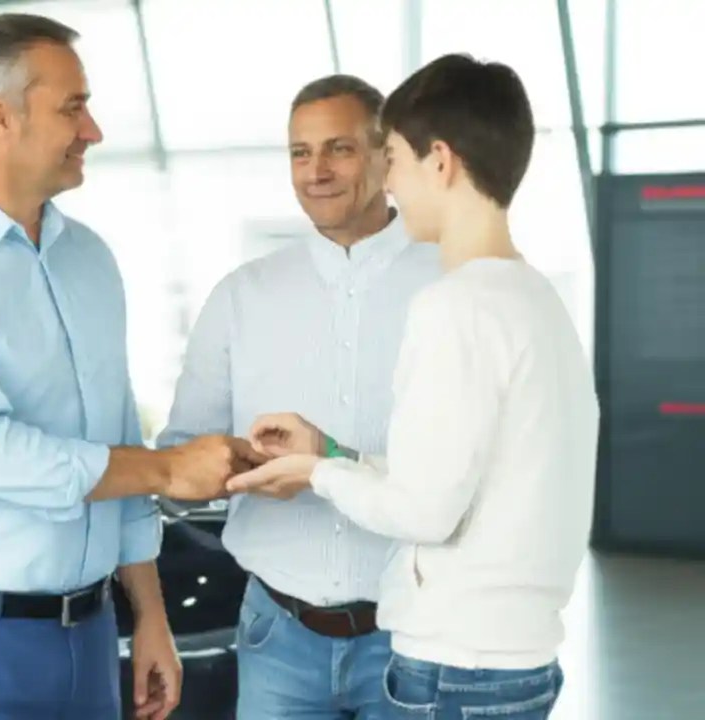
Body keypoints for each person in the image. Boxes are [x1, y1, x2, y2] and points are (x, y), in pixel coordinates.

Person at [0, 13, 265, 720]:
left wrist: (151, 616)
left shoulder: (90, 260)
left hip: (89, 633)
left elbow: (111, 438)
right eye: (73, 107)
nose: (94, 131)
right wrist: (169, 470)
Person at [230, 54, 599, 719]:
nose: (389, 183)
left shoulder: (454, 306)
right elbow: (453, 478)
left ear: (440, 161)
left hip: (454, 670)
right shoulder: (532, 297)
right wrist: (336, 454)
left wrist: (315, 472)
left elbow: (423, 513)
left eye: (392, 157)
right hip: (512, 662)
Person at [156, 75, 440, 718]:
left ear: (385, 157)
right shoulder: (240, 296)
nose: (317, 171)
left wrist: (326, 466)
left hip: (419, 635)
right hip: (276, 635)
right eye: (299, 152)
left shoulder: (450, 285)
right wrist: (229, 464)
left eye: (338, 148)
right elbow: (179, 463)